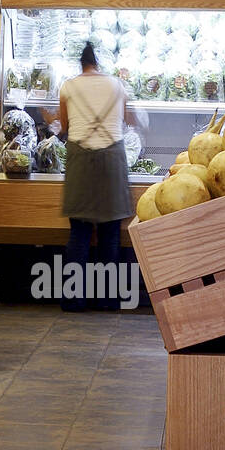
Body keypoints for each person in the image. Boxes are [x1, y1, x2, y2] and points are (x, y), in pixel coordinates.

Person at [56, 43, 135, 311]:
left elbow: (64, 127)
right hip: (112, 159)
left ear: (81, 64)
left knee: (79, 233)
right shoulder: (116, 85)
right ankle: (108, 299)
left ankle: (73, 300)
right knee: (110, 234)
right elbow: (126, 119)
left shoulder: (68, 86)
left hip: (80, 158)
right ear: (98, 63)